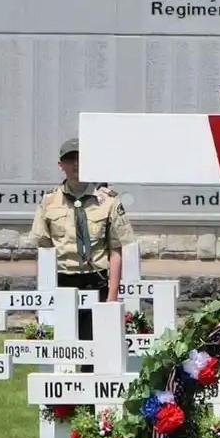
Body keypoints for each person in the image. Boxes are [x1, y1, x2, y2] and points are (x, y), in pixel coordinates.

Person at [30, 138, 134, 338]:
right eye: (70, 159)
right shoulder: (49, 202)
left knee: (97, 346)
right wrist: (42, 297)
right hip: (62, 281)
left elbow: (116, 249)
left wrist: (112, 296)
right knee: (64, 350)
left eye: (81, 158)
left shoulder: (108, 201)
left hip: (96, 281)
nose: (76, 164)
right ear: (61, 165)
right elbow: (43, 249)